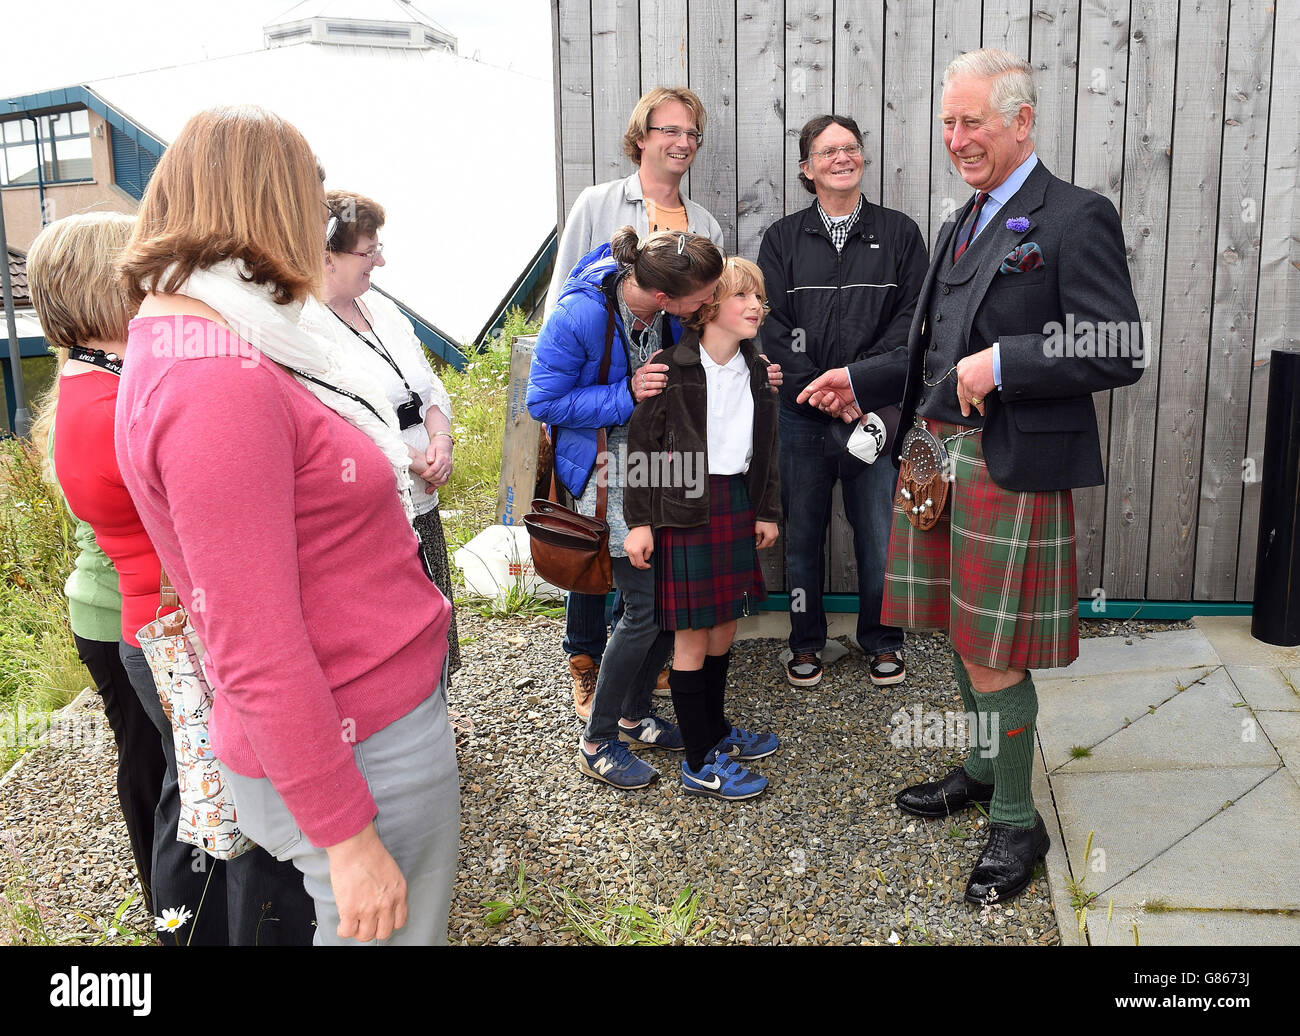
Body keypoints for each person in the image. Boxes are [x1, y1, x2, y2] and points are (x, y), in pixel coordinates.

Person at [800, 49, 1145, 904]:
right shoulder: (963, 219)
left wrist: (1010, 361)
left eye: (973, 122)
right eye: (948, 123)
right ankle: (987, 769)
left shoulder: (1073, 216)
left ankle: (1019, 820)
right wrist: (866, 380)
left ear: (1021, 122)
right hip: (937, 458)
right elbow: (933, 349)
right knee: (960, 631)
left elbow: (1119, 345)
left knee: (993, 647)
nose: (957, 138)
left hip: (1006, 465)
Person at [116, 105, 459, 944]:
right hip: (363, 735)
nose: (320, 217)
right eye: (309, 192)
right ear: (268, 203)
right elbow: (254, 640)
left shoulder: (205, 337)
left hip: (357, 719)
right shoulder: (217, 381)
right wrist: (346, 837)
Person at [30, 211, 314, 944]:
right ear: (106, 285)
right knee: (213, 804)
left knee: (190, 796)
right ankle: (203, 931)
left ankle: (192, 930)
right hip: (169, 626)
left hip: (153, 619)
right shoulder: (112, 399)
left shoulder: (100, 381)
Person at [546, 87, 724, 722]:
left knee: (644, 555)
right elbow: (567, 299)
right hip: (603, 423)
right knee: (600, 540)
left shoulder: (704, 223)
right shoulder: (600, 204)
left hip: (660, 426)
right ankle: (587, 664)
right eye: (669, 130)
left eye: (693, 133)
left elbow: (707, 320)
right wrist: (613, 388)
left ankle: (633, 669)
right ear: (640, 136)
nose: (682, 143)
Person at [527, 227, 724, 790]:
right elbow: (543, 401)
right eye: (701, 297)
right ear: (664, 297)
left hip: (652, 466)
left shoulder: (661, 314)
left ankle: (636, 716)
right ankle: (598, 738)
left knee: (665, 598)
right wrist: (628, 392)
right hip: (608, 471)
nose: (706, 304)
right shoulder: (581, 316)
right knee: (643, 607)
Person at [757, 114, 928, 690]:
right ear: (807, 168)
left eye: (851, 148)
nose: (842, 157)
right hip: (802, 420)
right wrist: (826, 393)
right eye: (827, 151)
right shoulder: (782, 238)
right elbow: (773, 326)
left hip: (874, 416)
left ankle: (883, 639)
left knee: (878, 534)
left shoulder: (900, 233)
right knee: (802, 537)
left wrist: (858, 383)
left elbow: (911, 325)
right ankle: (805, 641)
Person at [27, 213, 165, 917]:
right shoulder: (107, 395)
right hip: (120, 614)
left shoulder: (90, 376)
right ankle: (169, 910)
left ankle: (168, 903)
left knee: (152, 764)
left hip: (107, 604)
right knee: (153, 768)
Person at [624, 257, 781, 800]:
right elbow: (642, 450)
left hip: (736, 500)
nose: (757, 305)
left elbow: (766, 450)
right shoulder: (672, 367)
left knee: (724, 627)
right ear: (709, 306)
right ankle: (698, 761)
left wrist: (765, 509)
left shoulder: (759, 370)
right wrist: (640, 522)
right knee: (691, 635)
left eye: (760, 297)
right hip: (686, 506)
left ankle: (714, 733)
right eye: (743, 297)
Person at [317, 188, 460, 676]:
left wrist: (440, 439)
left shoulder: (384, 309)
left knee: (435, 593)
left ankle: (439, 702)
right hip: (378, 495)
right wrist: (412, 459)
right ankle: (412, 711)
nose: (380, 260)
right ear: (327, 257)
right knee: (396, 616)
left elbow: (428, 382)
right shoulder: (307, 327)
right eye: (368, 251)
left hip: (423, 484)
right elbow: (341, 416)